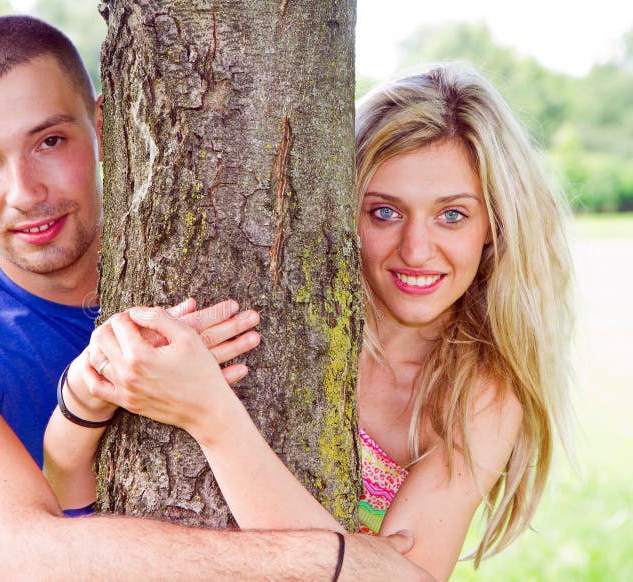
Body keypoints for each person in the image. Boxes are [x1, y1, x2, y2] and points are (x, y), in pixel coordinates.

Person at [0, 15, 430, 582]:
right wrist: (330, 560)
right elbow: (20, 555)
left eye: (49, 141)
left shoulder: (235, 258)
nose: (24, 193)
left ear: (102, 124)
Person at [48, 62, 575, 580]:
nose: (416, 249)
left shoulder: (479, 392)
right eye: (384, 212)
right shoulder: (287, 323)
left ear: (494, 225)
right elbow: (72, 516)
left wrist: (211, 416)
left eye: (452, 215)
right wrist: (84, 399)